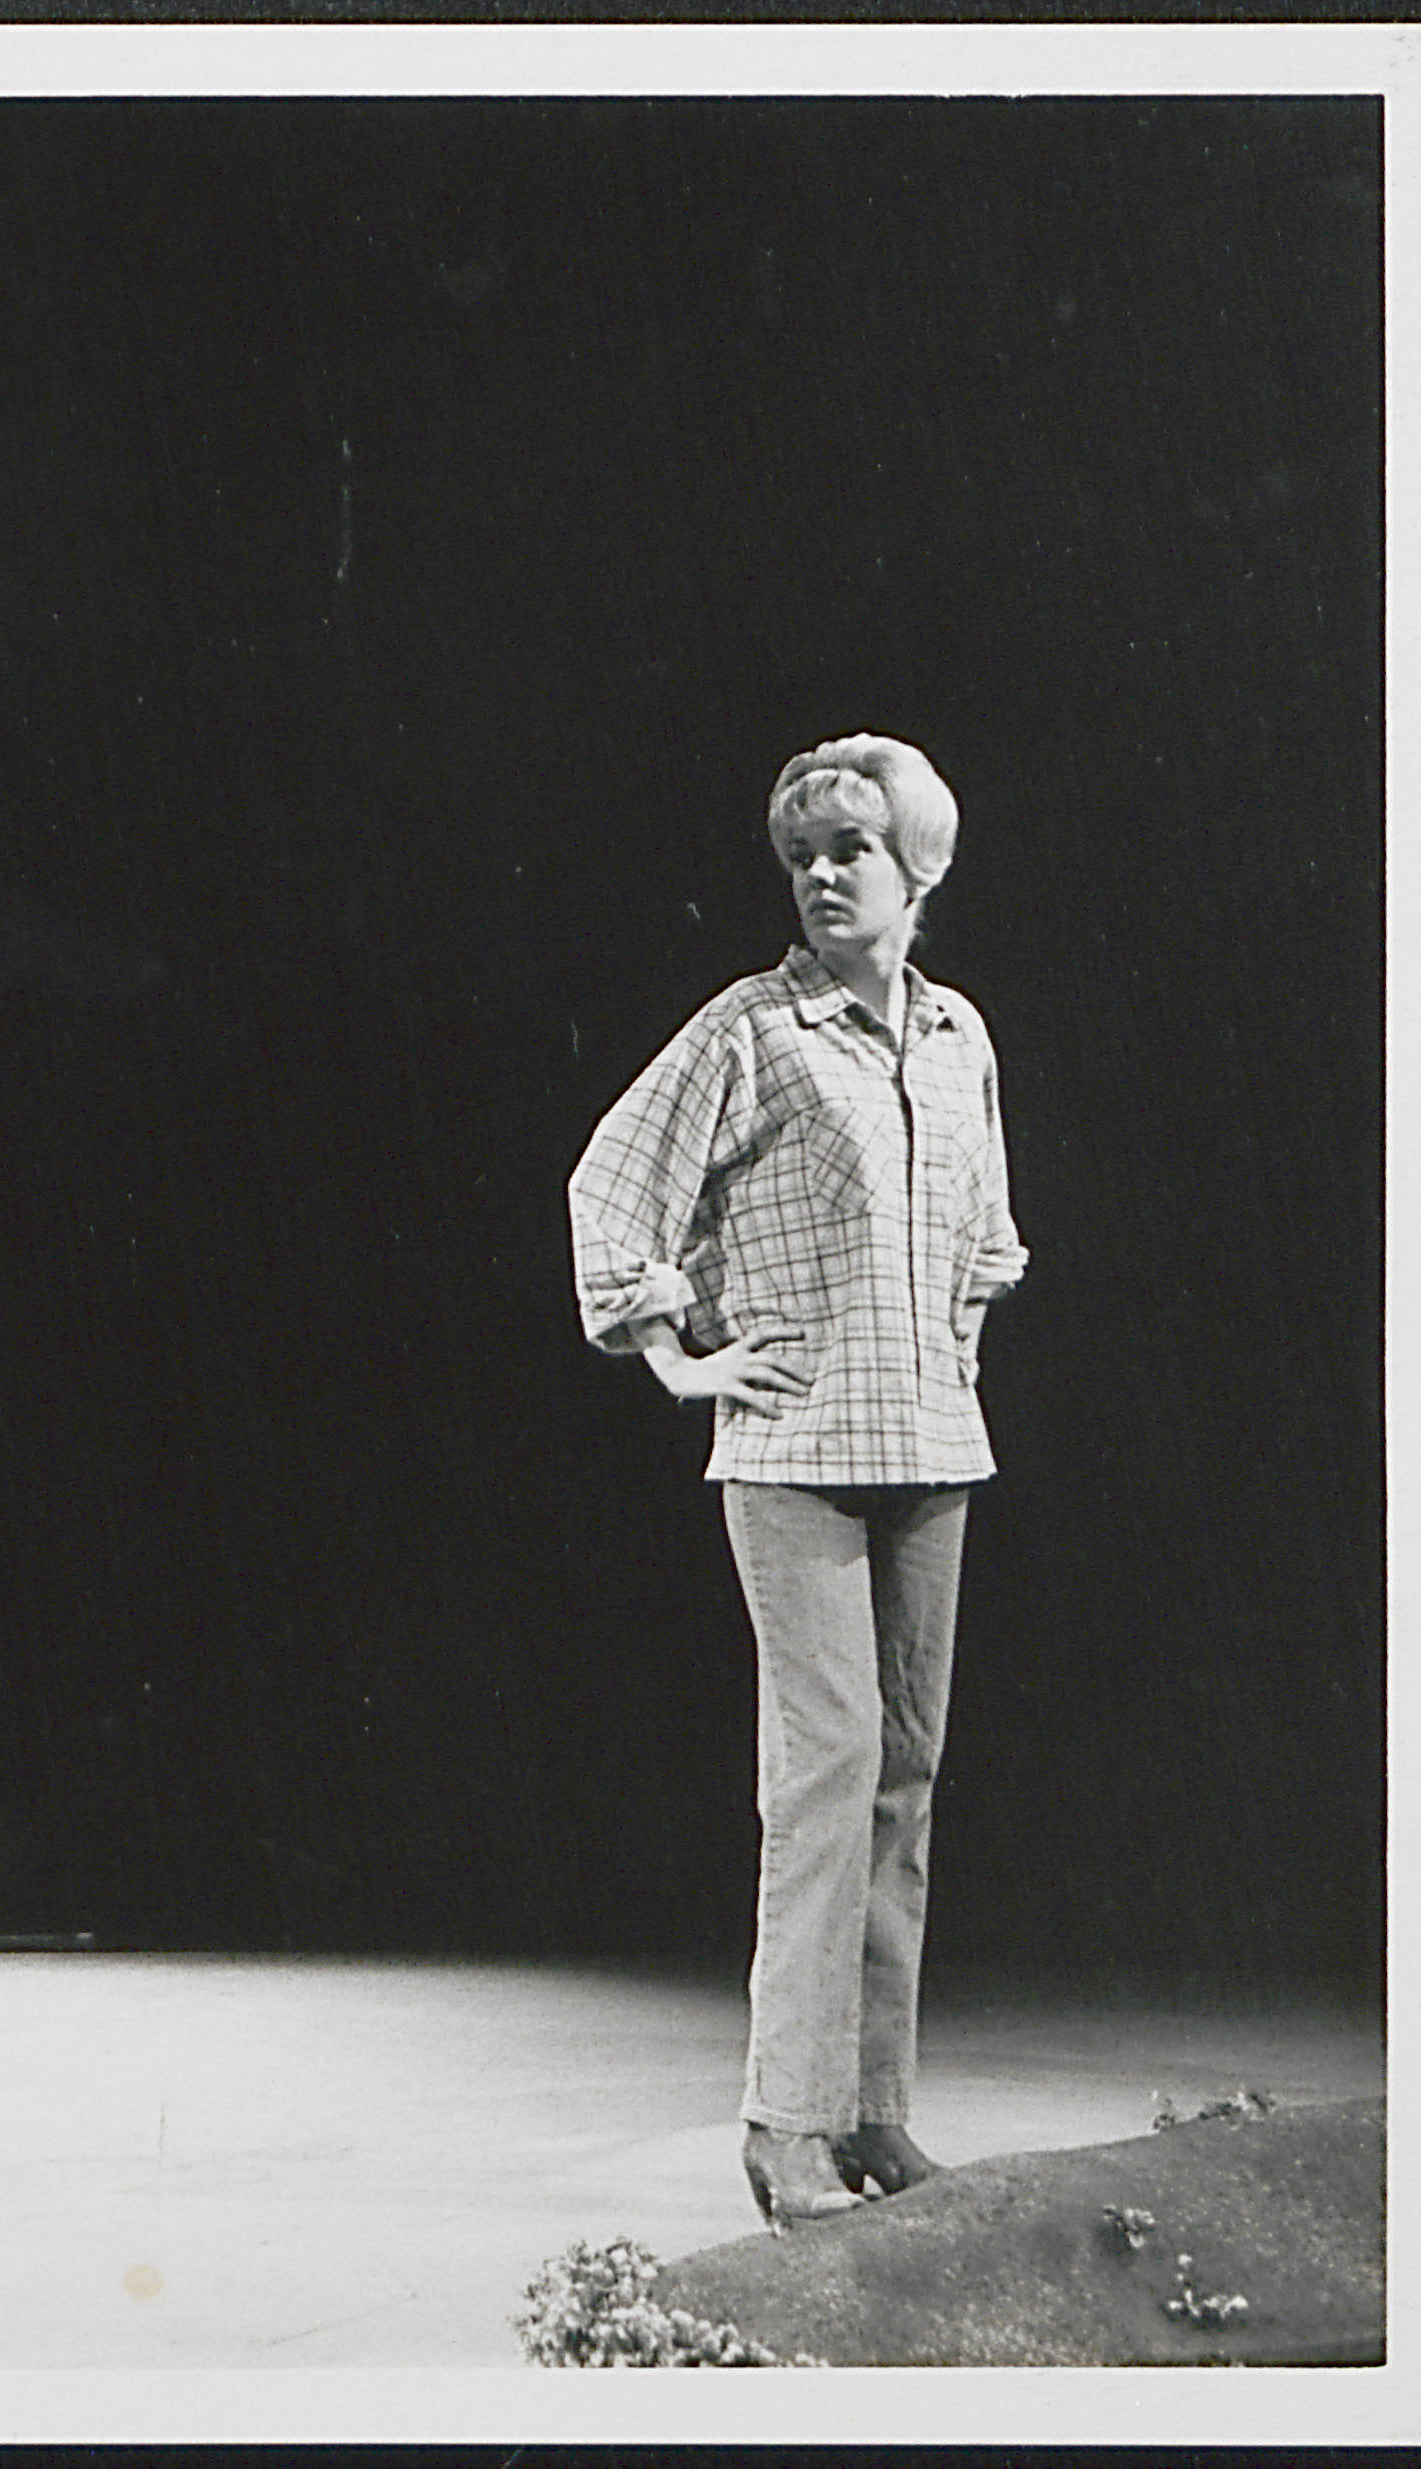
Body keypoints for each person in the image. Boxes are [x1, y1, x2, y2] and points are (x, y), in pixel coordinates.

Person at [565, 734, 1025, 2228]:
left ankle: (875, 2113)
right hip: (795, 1453)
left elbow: (984, 1229)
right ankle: (786, 2126)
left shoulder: (955, 1037)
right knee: (825, 1774)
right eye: (802, 856)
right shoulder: (750, 1029)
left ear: (918, 867)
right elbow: (611, 1185)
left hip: (931, 1446)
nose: (822, 877)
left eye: (850, 850)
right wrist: (676, 1358)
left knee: (903, 1782)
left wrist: (951, 1339)